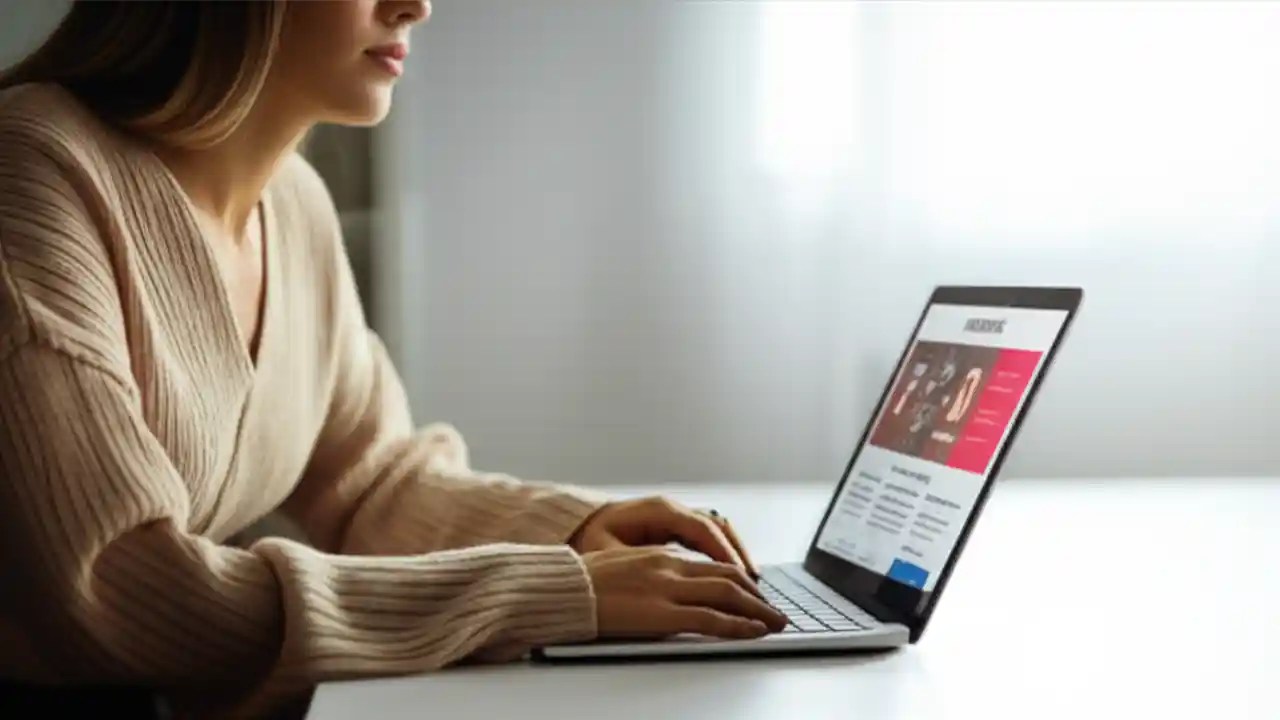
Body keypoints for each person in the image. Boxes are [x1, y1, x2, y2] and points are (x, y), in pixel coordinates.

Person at [0, 1, 787, 717]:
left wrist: (578, 530)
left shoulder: (293, 203)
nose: (417, 6)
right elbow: (110, 588)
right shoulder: (34, 173)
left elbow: (372, 483)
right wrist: (544, 592)